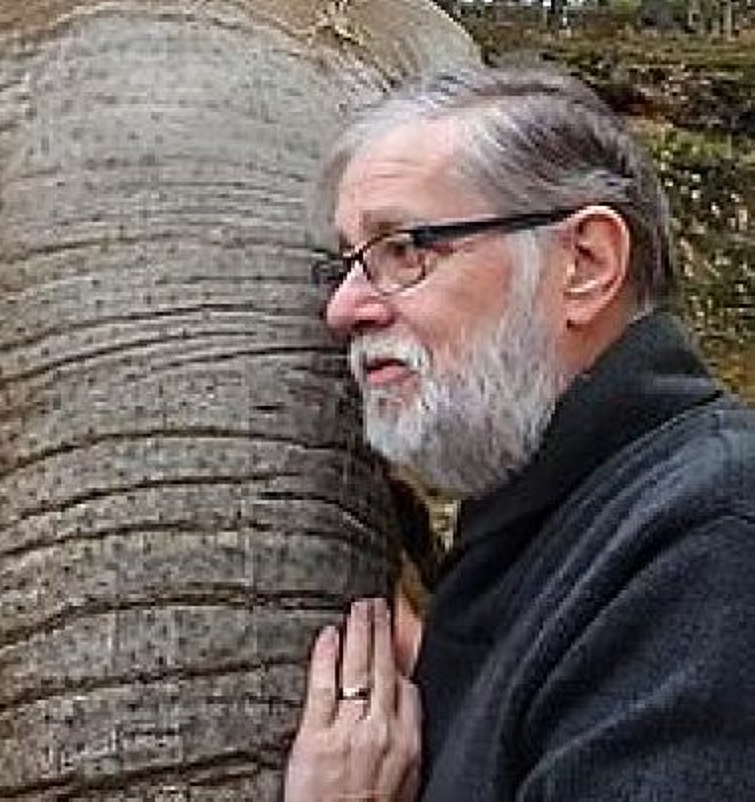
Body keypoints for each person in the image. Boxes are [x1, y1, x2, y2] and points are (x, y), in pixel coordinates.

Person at [285, 64, 755, 800]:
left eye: (404, 248)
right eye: (348, 261)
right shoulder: (550, 528)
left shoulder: (713, 542)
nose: (343, 310)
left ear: (586, 265)